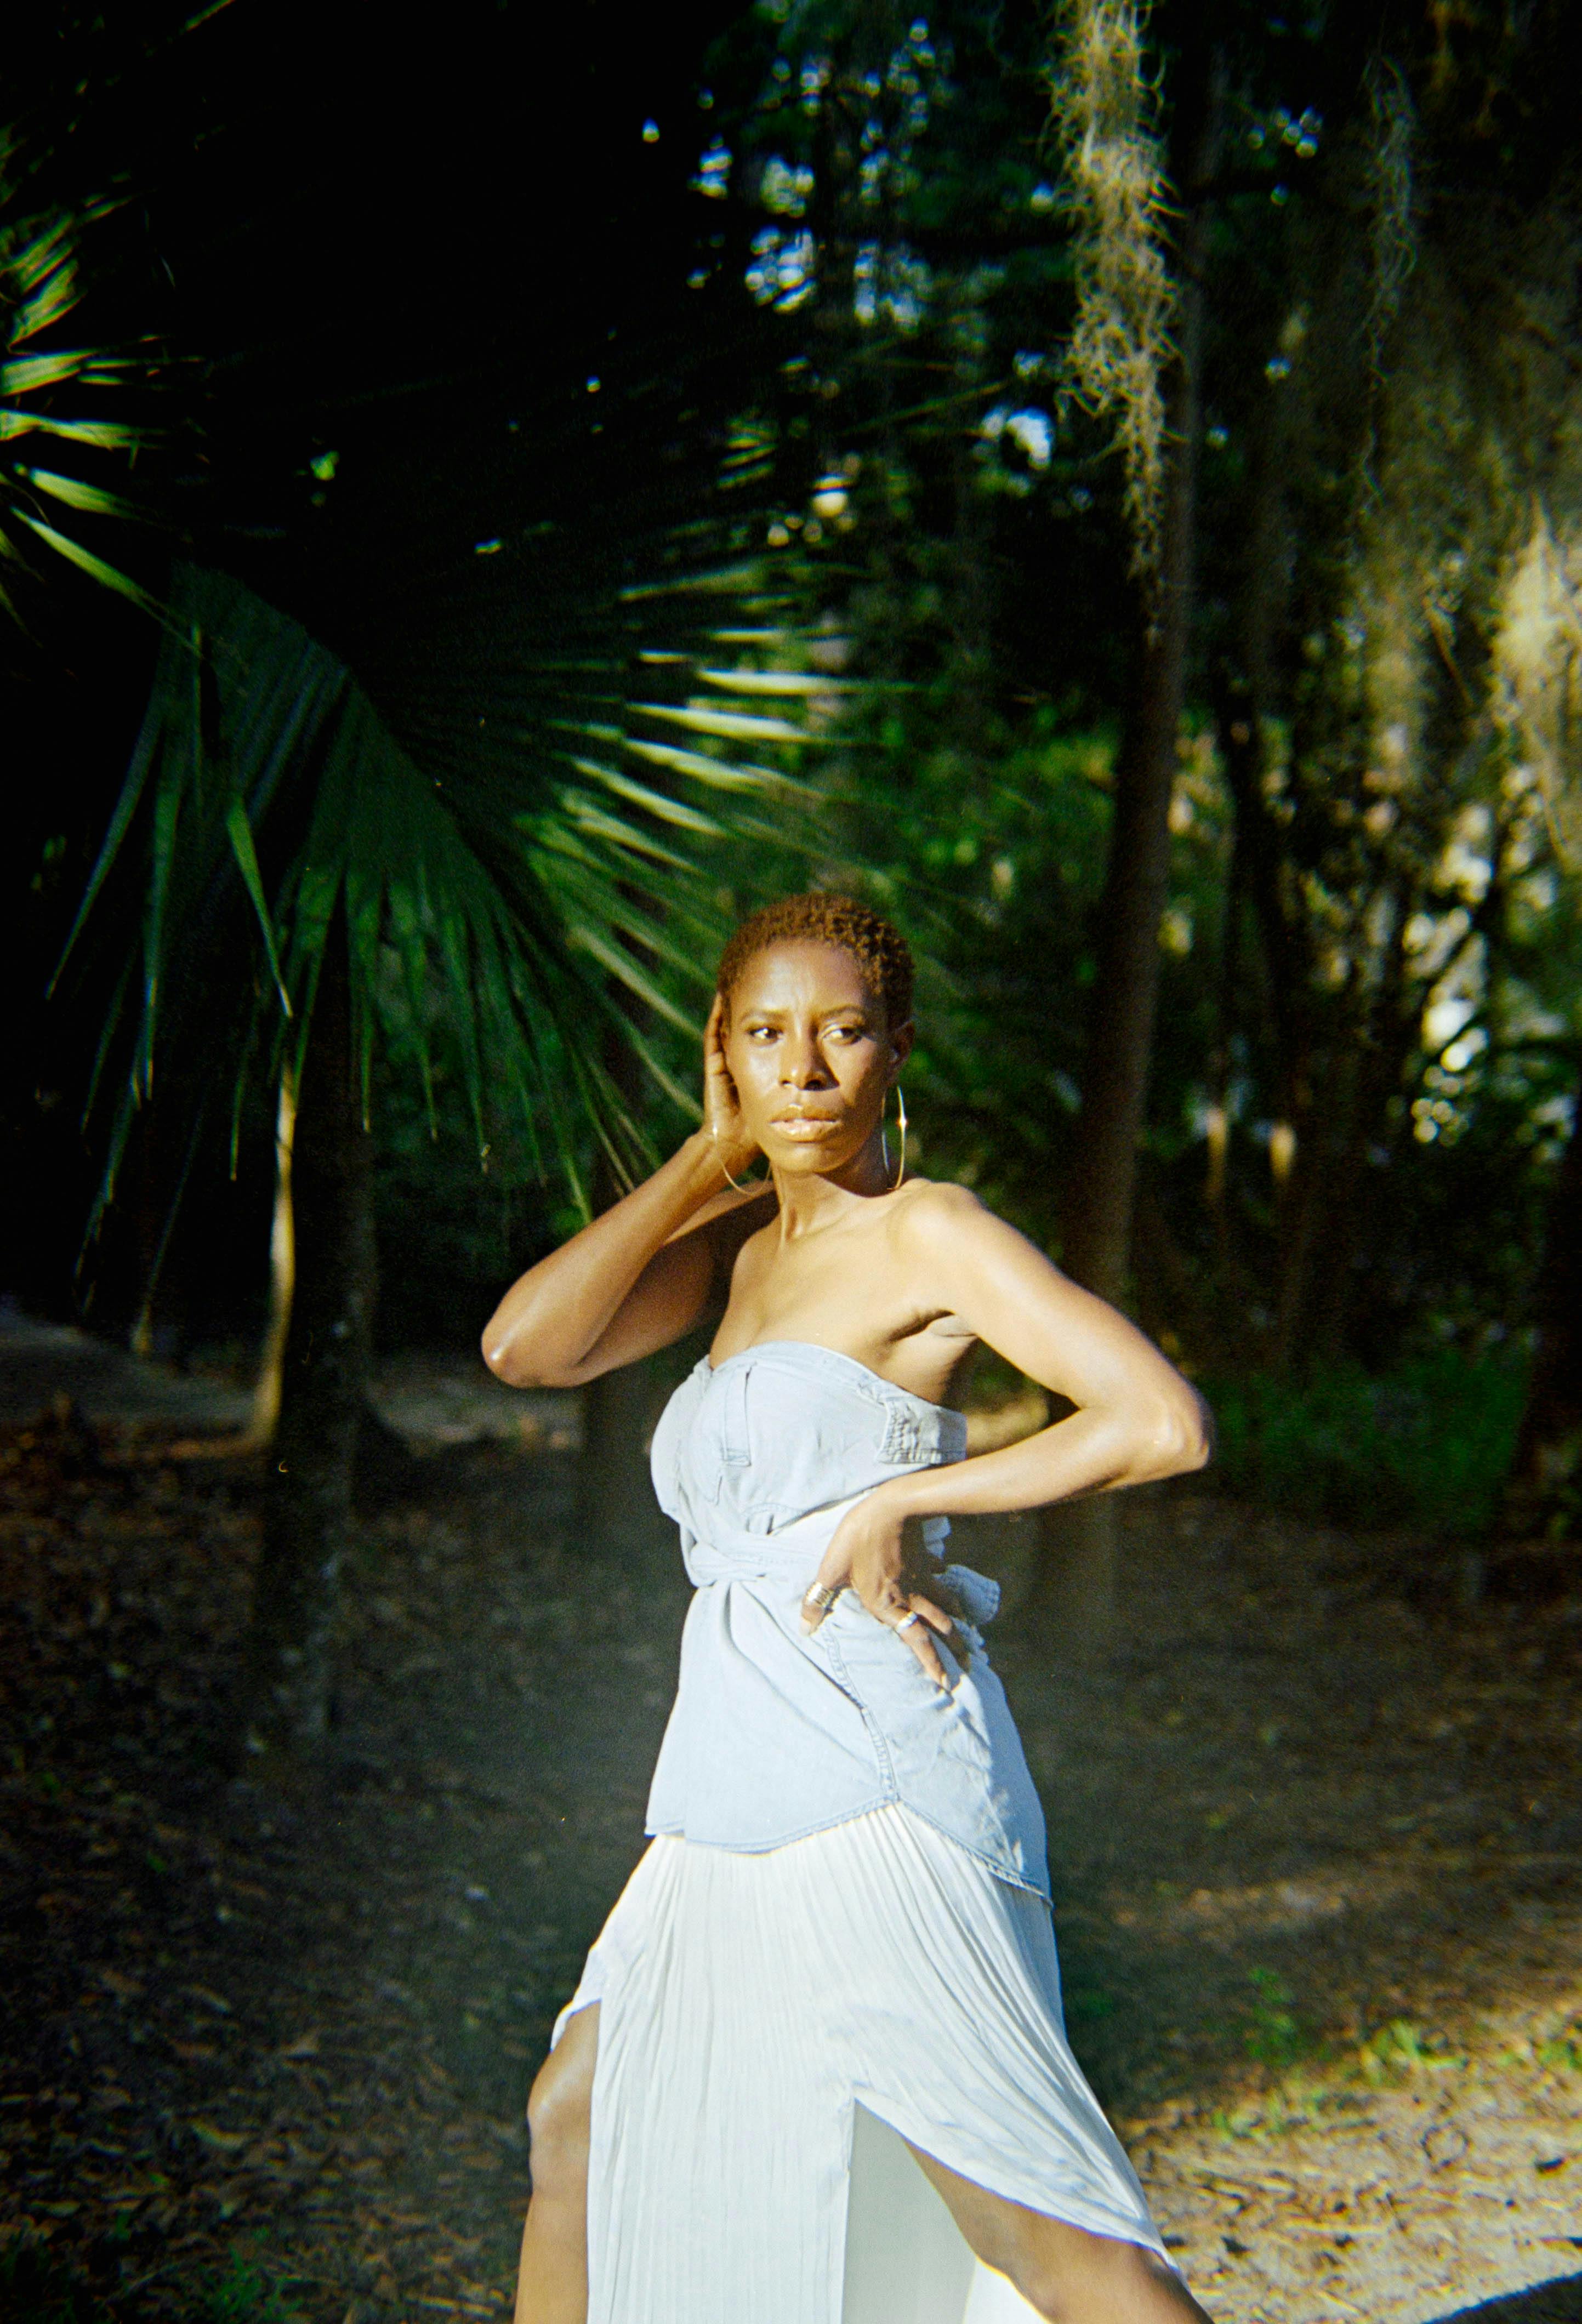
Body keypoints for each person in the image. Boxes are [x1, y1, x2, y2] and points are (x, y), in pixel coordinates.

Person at [483, 893, 1215, 2324]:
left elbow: (1158, 1421)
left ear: (898, 1052)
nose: (805, 1072)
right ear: (725, 1054)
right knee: (580, 2113)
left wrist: (898, 1505)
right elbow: (526, 1346)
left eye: (843, 1033)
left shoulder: (929, 1234)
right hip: (726, 1778)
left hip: (879, 1770)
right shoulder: (736, 1249)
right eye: (767, 1037)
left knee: (1018, 2204)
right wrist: (706, 1155)